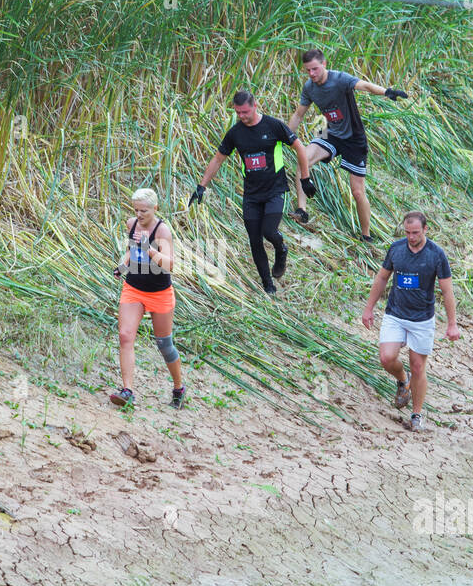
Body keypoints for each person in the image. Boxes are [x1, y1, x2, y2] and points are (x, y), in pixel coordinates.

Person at [287, 49, 409, 242]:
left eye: (315, 69)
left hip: (354, 137)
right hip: (328, 131)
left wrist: (387, 92)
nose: (311, 74)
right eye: (308, 70)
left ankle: (366, 236)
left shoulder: (340, 79)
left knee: (357, 191)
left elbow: (365, 85)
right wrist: (284, 136)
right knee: (304, 159)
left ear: (324, 64)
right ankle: (301, 211)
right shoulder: (309, 87)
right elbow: (298, 115)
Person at [190, 91, 303, 295]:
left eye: (245, 112)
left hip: (275, 190)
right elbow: (217, 159)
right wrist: (202, 186)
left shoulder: (273, 126)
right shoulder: (235, 133)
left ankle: (281, 249)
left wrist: (305, 178)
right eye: (238, 112)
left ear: (255, 105)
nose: (241, 116)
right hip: (251, 195)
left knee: (269, 231)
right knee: (254, 239)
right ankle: (268, 283)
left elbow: (299, 148)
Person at [360, 211, 459, 433]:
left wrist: (452, 323)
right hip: (395, 313)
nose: (411, 237)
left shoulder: (436, 254)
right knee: (386, 358)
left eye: (415, 233)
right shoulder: (396, 249)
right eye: (407, 232)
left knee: (418, 365)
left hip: (422, 319)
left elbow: (447, 290)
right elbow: (382, 278)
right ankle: (402, 381)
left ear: (425, 229)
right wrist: (369, 309)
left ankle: (416, 414)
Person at [111, 188, 185, 409]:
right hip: (134, 288)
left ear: (155, 208)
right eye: (136, 210)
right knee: (125, 336)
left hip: (159, 293)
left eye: (144, 210)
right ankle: (127, 391)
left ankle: (178, 387)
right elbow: (131, 251)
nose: (140, 214)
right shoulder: (131, 224)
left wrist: (149, 249)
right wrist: (122, 267)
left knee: (165, 345)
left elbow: (169, 264)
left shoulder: (163, 231)